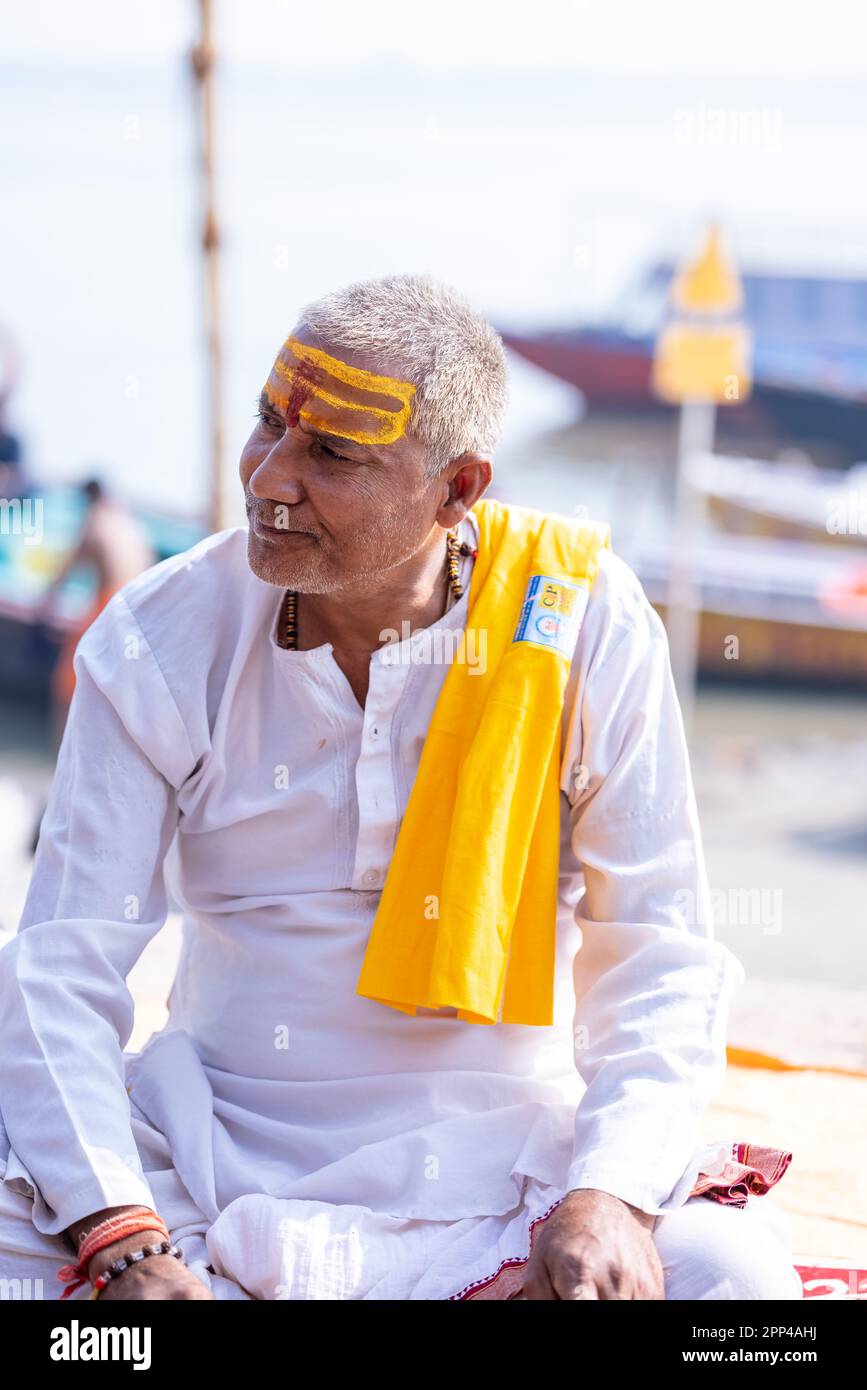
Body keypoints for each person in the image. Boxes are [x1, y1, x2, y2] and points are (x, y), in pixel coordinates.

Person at [0, 274, 802, 1302]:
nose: (269, 478)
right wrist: (123, 1241)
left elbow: (660, 955)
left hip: (505, 1172)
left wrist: (607, 1194)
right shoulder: (161, 634)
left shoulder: (581, 621)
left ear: (460, 489)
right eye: (267, 425)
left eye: (331, 453)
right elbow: (62, 966)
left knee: (740, 1284)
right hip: (205, 1153)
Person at [37, 476, 155, 746]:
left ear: (88, 499)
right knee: (114, 692)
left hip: (111, 604)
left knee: (67, 683)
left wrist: (46, 600)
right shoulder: (131, 524)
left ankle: (61, 762)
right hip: (140, 610)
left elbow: (68, 566)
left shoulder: (97, 519)